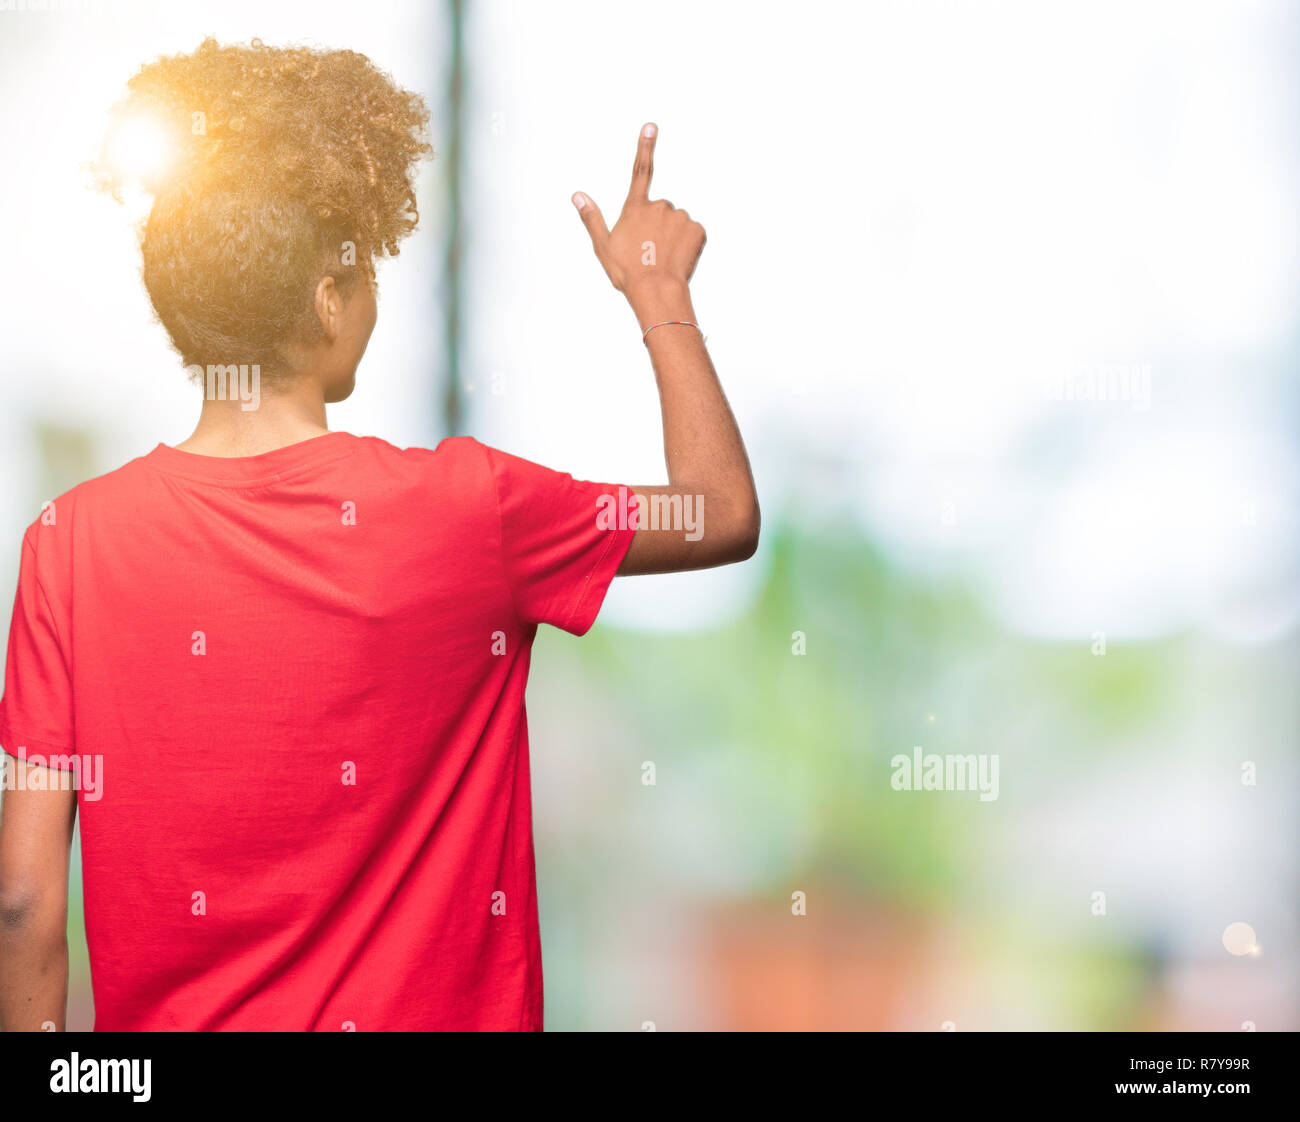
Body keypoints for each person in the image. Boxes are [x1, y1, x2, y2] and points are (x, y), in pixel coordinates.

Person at [0, 39, 757, 1031]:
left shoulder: (70, 542)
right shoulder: (470, 511)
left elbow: (21, 905)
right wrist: (661, 301)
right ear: (327, 297)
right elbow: (718, 511)